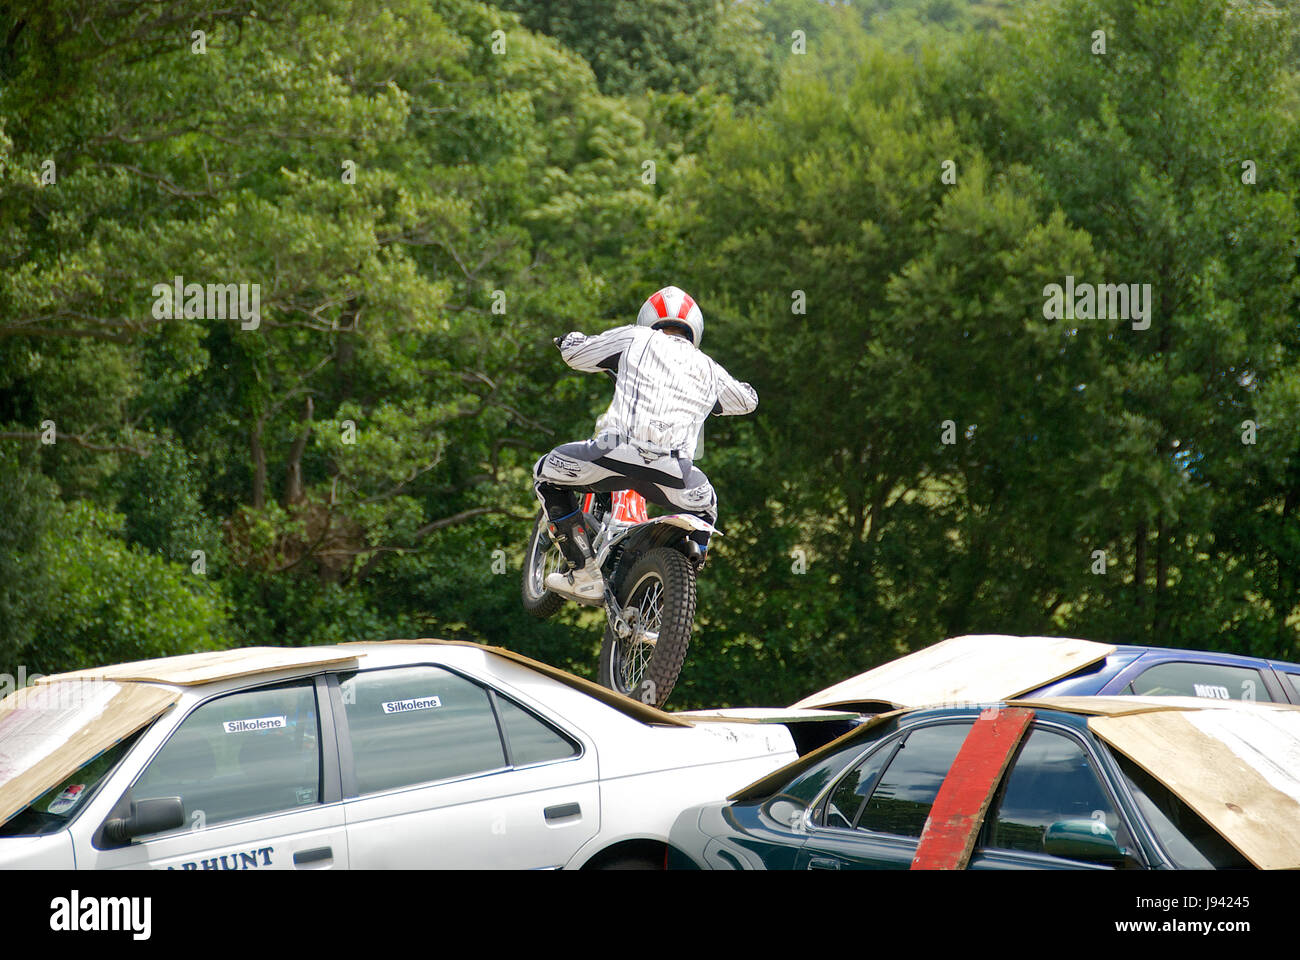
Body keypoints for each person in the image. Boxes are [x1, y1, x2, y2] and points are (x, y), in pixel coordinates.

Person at [533, 285, 758, 601]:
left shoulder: (634, 337)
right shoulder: (709, 367)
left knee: (545, 474)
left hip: (614, 456)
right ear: (695, 328)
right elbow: (747, 400)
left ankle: (583, 575)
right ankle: (675, 586)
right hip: (675, 475)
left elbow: (577, 354)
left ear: (647, 318)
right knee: (706, 509)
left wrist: (567, 340)